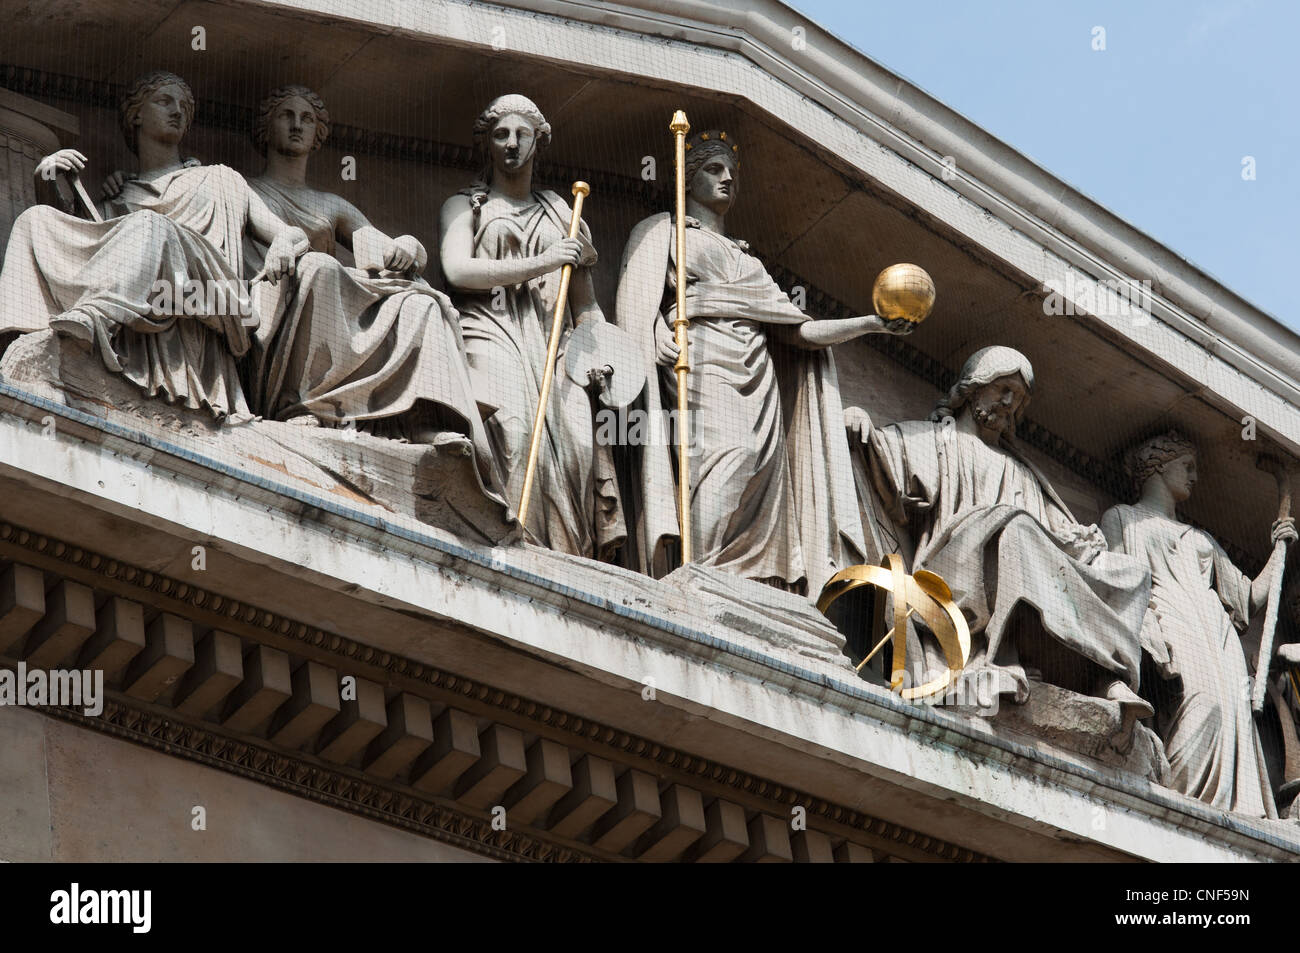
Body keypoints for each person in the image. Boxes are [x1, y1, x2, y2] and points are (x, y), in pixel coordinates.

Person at [617, 130, 908, 595]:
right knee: (727, 457)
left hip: (756, 370)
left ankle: (746, 579)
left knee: (757, 464)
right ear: (687, 178)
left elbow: (801, 330)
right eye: (714, 169)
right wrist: (651, 331)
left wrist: (871, 323)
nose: (728, 178)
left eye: (732, 171)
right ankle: (699, 571)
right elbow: (635, 298)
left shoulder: (749, 261)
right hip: (700, 357)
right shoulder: (661, 232)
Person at [845, 346, 1153, 716]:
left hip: (1017, 559)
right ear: (974, 386)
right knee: (1018, 526)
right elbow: (885, 461)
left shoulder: (1020, 471)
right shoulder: (936, 441)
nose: (1008, 402)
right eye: (1002, 388)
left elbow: (1055, 540)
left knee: (1132, 570)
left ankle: (1107, 676)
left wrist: (1083, 544)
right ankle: (1001, 658)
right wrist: (859, 423)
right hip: (950, 569)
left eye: (1018, 398)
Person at [0, 70, 305, 418]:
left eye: (184, 108)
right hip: (143, 296)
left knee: (149, 224)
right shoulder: (118, 198)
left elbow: (290, 234)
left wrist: (283, 246)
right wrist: (48, 179)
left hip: (203, 296)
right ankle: (18, 339)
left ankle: (97, 319)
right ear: (136, 115)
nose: (177, 111)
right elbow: (83, 256)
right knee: (33, 219)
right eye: (164, 101)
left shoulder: (220, 179)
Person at [439, 94, 624, 559]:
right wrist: (543, 260)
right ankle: (517, 548)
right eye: (501, 134)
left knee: (581, 445)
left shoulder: (564, 214)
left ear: (539, 142)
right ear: (487, 144)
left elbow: (586, 307)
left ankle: (569, 558)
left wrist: (604, 355)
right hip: (490, 331)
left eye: (522, 134)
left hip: (553, 345)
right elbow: (457, 271)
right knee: (516, 434)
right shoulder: (466, 206)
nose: (511, 143)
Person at [1102, 431, 1295, 816]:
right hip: (1169, 617)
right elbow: (1114, 583)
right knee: (1202, 704)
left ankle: (1224, 812)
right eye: (1186, 467)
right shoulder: (1122, 517)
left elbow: (1249, 599)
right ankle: (1180, 799)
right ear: (1158, 467)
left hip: (1217, 630)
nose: (1194, 477)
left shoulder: (1200, 536)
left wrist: (1279, 549)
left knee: (1229, 710)